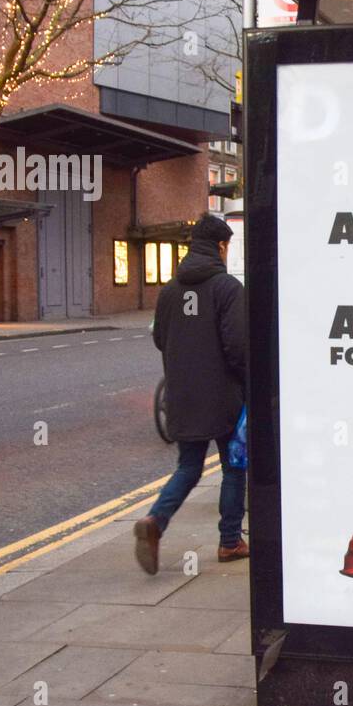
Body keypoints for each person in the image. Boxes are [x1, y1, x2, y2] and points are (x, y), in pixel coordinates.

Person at [133, 213, 247, 575]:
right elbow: (238, 347)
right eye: (227, 246)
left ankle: (156, 520)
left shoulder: (169, 291)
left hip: (183, 396)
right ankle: (230, 541)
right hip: (224, 396)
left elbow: (159, 339)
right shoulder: (227, 289)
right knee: (233, 466)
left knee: (189, 467)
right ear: (219, 246)